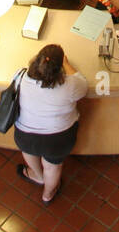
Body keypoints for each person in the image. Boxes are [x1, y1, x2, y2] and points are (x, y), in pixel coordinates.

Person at [14, 44, 88, 204]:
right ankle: (48, 194)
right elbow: (84, 85)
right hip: (58, 139)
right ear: (59, 68)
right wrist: (67, 64)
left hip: (26, 136)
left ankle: (38, 176)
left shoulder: (21, 76)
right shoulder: (70, 85)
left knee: (29, 152)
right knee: (52, 167)